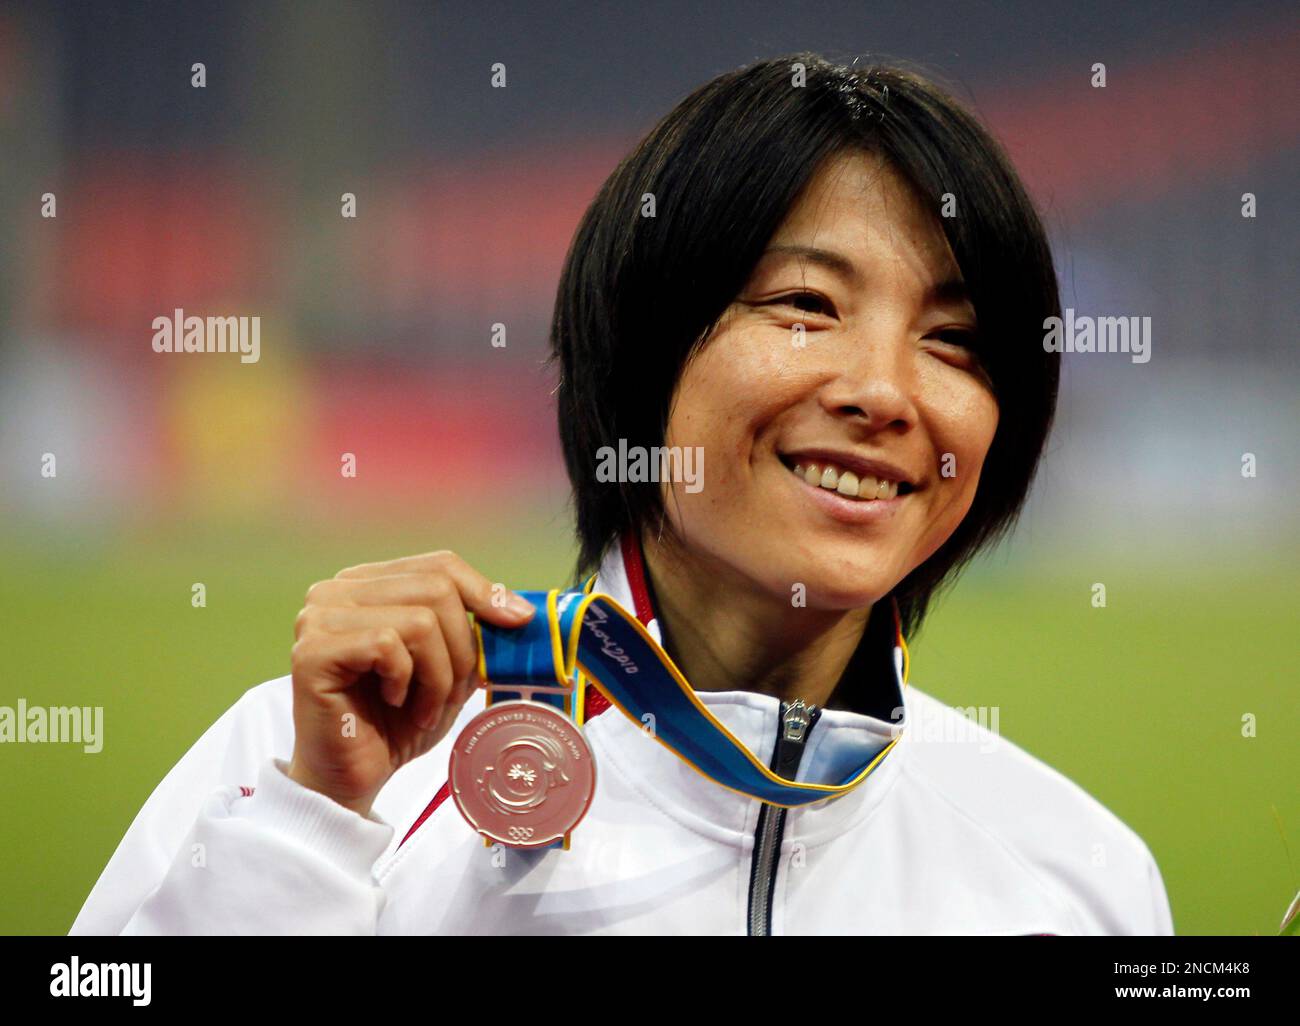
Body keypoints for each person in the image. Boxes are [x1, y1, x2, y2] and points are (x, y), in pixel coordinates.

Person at [71, 52, 1174, 935]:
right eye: (803, 305)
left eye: (954, 340)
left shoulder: (1076, 873)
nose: (883, 391)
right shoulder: (318, 767)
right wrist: (307, 829)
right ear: (638, 353)